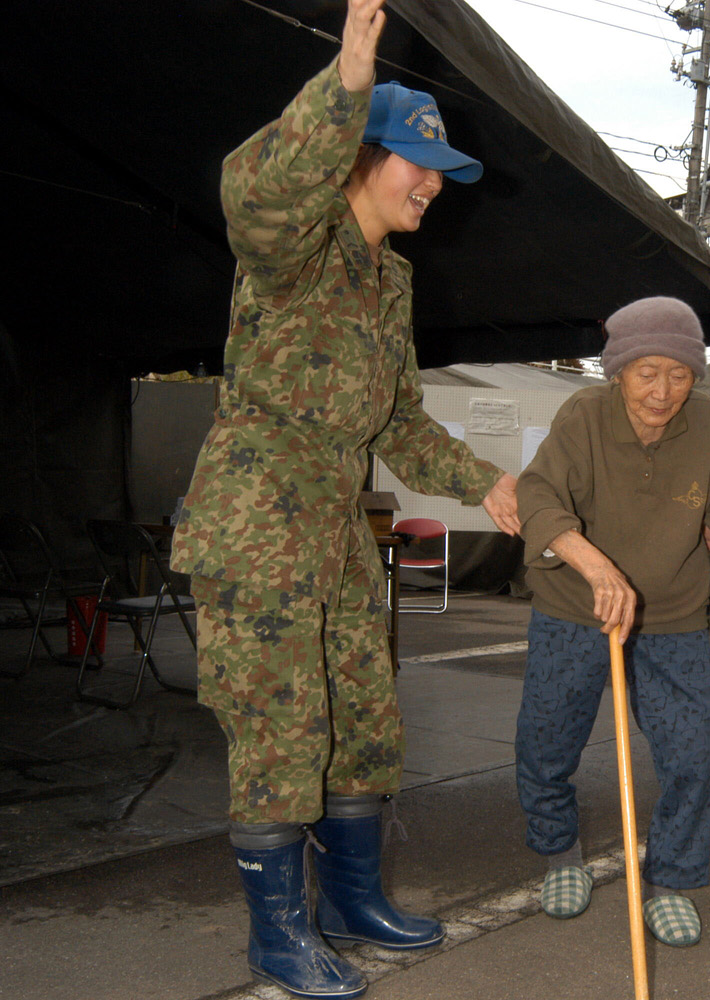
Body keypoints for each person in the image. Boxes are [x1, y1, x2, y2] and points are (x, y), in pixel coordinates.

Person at [170, 3, 520, 996]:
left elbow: (398, 424)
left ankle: (352, 899)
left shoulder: (389, 283)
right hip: (259, 527)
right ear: (360, 158)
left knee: (362, 718)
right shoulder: (295, 250)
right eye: (419, 166)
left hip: (335, 525)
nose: (434, 189)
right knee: (281, 731)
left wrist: (486, 481)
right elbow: (257, 191)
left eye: (442, 175)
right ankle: (278, 936)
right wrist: (348, 84)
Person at [514, 296, 710, 947]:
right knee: (546, 740)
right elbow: (538, 493)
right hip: (574, 608)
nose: (663, 390)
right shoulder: (584, 415)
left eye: (678, 373)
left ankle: (669, 880)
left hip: (671, 615)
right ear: (618, 372)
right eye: (647, 373)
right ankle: (560, 855)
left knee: (692, 750)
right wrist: (593, 564)